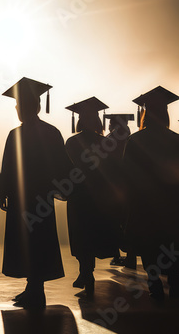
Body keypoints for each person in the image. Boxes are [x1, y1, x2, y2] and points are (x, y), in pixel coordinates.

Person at [0, 77, 72, 309]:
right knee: (38, 241)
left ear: (30, 106)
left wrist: (3, 192)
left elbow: (8, 168)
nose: (17, 109)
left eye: (19, 105)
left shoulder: (15, 135)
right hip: (41, 199)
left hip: (23, 198)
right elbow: (63, 166)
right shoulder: (52, 132)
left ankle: (36, 291)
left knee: (27, 242)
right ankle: (33, 287)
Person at [124, 87, 179, 300]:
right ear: (165, 113)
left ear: (145, 113)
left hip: (145, 203)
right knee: (170, 241)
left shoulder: (135, 141)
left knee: (149, 243)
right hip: (171, 202)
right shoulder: (177, 139)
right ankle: (176, 280)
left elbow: (127, 175)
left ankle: (154, 283)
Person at [64, 97, 126, 299]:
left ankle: (86, 273)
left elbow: (67, 170)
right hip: (100, 195)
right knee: (94, 233)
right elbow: (115, 171)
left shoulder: (72, 142)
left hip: (79, 196)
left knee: (81, 235)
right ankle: (86, 273)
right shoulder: (107, 143)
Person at [103, 114, 135, 268]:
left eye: (111, 123)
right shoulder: (130, 139)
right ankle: (131, 256)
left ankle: (117, 255)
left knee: (115, 222)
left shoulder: (110, 140)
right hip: (129, 186)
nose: (108, 126)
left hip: (113, 186)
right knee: (128, 222)